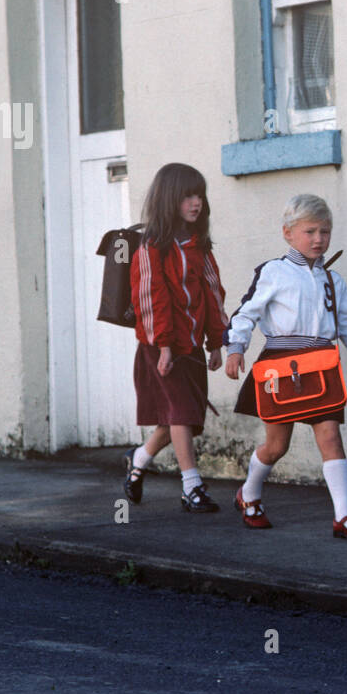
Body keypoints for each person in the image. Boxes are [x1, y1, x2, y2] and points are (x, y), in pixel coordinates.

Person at [225, 194, 347, 540]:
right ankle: (249, 493)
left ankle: (344, 518)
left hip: (322, 367)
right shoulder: (273, 272)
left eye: (325, 231)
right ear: (288, 233)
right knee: (276, 445)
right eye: (309, 231)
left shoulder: (333, 281)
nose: (318, 239)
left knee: (330, 437)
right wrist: (236, 347)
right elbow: (246, 313)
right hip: (279, 367)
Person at [122, 163, 228, 513]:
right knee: (181, 413)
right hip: (161, 347)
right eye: (187, 196)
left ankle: (138, 461)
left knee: (179, 420)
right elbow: (150, 298)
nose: (195, 203)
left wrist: (216, 342)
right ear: (170, 200)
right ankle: (192, 487)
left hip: (192, 347)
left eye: (199, 195)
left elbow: (213, 293)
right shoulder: (152, 246)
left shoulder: (199, 245)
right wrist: (164, 345)